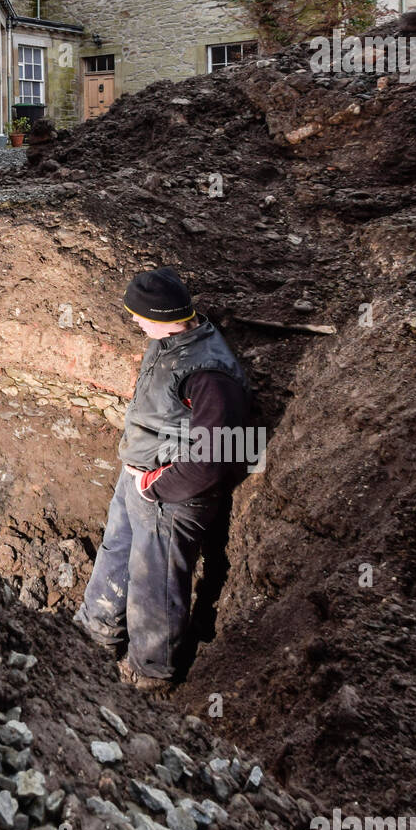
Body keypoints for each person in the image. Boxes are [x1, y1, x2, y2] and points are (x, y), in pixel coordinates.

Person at [74, 268, 252, 690]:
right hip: (139, 474)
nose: (134, 321)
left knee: (155, 579)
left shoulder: (210, 375)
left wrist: (153, 485)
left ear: (163, 314)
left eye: (139, 315)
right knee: (117, 549)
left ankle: (149, 670)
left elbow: (215, 458)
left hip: (170, 494)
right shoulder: (173, 336)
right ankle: (93, 633)